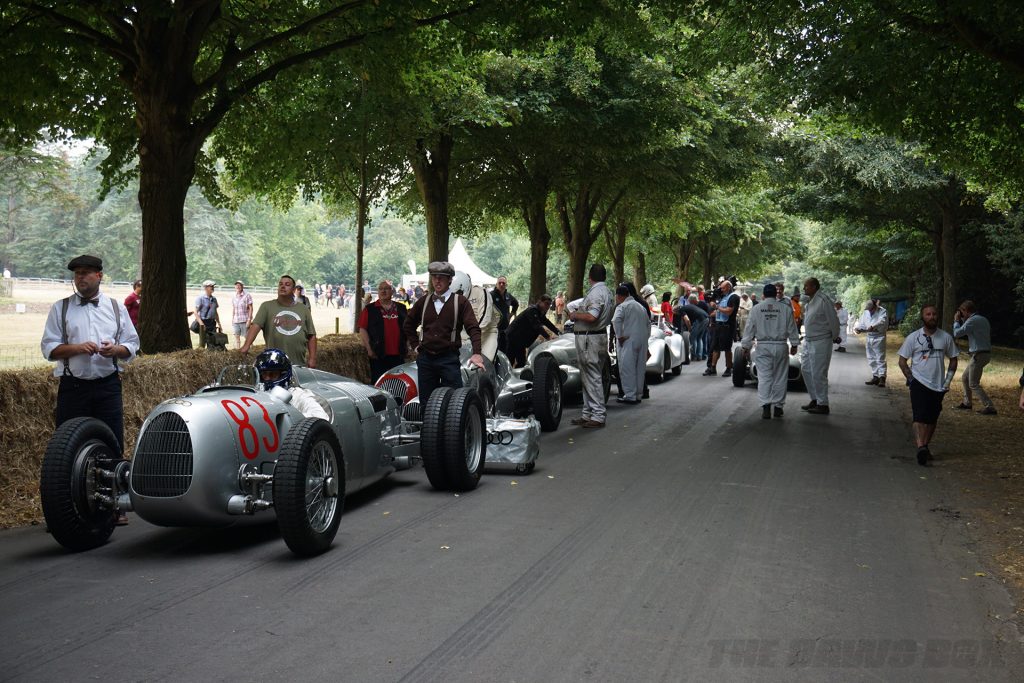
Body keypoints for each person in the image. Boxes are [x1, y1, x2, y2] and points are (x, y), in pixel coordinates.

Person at [41, 255, 140, 524]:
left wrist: (114, 350)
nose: (80, 278)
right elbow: (49, 348)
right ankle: (65, 510)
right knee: (66, 448)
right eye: (77, 274)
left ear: (99, 276)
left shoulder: (116, 308)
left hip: (108, 385)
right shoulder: (60, 309)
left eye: (86, 273)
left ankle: (115, 505)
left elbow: (132, 345)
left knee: (111, 443)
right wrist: (76, 348)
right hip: (73, 386)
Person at [402, 261, 484, 405]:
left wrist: (477, 353)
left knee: (454, 401)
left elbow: (473, 328)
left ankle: (452, 427)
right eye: (434, 277)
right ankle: (429, 427)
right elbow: (408, 325)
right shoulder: (423, 301)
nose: (437, 280)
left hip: (449, 358)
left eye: (442, 277)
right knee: (426, 403)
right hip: (426, 358)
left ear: (450, 280)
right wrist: (416, 346)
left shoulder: (460, 302)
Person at [898, 304, 959, 466]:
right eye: (928, 314)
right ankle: (921, 447)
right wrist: (910, 379)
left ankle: (924, 447)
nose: (931, 317)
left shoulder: (945, 337)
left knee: (932, 418)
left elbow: (954, 359)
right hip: (918, 381)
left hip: (938, 385)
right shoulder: (913, 337)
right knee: (919, 416)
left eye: (934, 314)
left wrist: (947, 381)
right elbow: (902, 361)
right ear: (922, 317)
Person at [741, 284, 801, 419]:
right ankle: (778, 406)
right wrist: (795, 344)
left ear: (763, 294)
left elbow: (749, 329)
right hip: (780, 345)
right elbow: (792, 328)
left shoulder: (756, 309)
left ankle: (766, 406)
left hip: (763, 346)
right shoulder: (785, 309)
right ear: (776, 294)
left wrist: (746, 346)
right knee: (780, 376)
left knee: (764, 377)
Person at [567, 264, 614, 428]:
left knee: (592, 376)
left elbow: (592, 316)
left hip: (589, 339)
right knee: (589, 376)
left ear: (590, 276)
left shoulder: (596, 293)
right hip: (599, 336)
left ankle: (598, 415)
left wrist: (574, 315)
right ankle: (588, 413)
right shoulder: (608, 292)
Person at [240, 274, 317, 367]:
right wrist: (246, 345)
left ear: (293, 290)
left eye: (287, 284)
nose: (283, 286)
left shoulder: (303, 309)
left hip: (298, 364)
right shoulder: (267, 306)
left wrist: (312, 358)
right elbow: (256, 325)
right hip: (274, 365)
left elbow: (311, 335)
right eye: (280, 284)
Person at [800, 277, 841, 415]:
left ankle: (823, 404)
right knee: (806, 370)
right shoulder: (809, 302)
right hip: (809, 340)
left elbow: (833, 319)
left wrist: (835, 336)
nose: (804, 288)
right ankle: (815, 398)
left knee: (819, 373)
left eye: (806, 286)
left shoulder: (823, 300)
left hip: (821, 341)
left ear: (814, 287)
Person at [254, 348, 328, 420]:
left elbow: (321, 417)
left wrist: (288, 419)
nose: (267, 379)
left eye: (272, 374)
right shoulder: (256, 395)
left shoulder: (297, 396)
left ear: (283, 374)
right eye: (264, 374)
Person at [357, 280, 408, 382]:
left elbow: (407, 328)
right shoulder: (369, 309)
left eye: (386, 289)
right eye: (381, 289)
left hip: (398, 354)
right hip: (378, 354)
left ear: (392, 291)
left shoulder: (401, 308)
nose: (383, 291)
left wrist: (408, 345)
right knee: (379, 383)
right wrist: (369, 349)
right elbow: (362, 330)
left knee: (398, 383)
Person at [952, 300, 996, 415]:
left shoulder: (972, 320)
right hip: (984, 354)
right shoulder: (982, 319)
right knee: (965, 378)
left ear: (966, 310)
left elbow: (957, 333)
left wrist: (956, 321)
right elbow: (970, 331)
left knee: (973, 383)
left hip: (978, 355)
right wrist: (963, 320)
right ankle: (967, 403)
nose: (961, 314)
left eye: (962, 312)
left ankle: (990, 407)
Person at [612, 284, 650, 404]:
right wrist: (646, 337)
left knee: (627, 368)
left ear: (618, 296)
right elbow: (648, 324)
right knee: (640, 368)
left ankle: (630, 395)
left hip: (628, 340)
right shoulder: (640, 306)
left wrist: (619, 336)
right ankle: (638, 394)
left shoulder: (622, 307)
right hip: (642, 339)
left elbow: (615, 320)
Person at [452, 271, 498, 359]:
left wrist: (472, 337)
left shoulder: (481, 293)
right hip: (465, 335)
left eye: (458, 293)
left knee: (486, 360)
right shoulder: (453, 299)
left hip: (487, 333)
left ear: (464, 287)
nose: (456, 296)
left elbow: (485, 319)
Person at [506, 294, 560, 368]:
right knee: (509, 360)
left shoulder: (540, 312)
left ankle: (518, 377)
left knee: (521, 362)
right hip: (513, 338)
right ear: (540, 302)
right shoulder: (532, 310)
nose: (547, 306)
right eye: (546, 304)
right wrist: (548, 337)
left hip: (520, 340)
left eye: (549, 304)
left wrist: (559, 332)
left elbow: (548, 323)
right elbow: (537, 326)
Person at [704, 280, 740, 377]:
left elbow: (729, 311)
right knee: (715, 347)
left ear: (729, 287)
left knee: (727, 348)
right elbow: (720, 310)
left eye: (723, 288)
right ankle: (712, 368)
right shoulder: (723, 297)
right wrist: (713, 314)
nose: (721, 290)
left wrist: (716, 307)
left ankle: (729, 368)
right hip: (718, 325)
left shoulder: (734, 297)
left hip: (727, 326)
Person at [853, 298, 888, 386]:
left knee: (880, 357)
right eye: (868, 309)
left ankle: (882, 377)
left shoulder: (882, 311)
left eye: (871, 309)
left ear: (875, 306)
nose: (870, 311)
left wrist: (873, 326)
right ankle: (875, 376)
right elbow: (862, 322)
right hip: (869, 336)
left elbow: (882, 321)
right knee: (871, 357)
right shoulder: (866, 312)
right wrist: (858, 328)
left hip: (879, 336)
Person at [491, 276, 519, 354]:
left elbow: (516, 304)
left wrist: (511, 314)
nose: (501, 284)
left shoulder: (508, 296)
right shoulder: (491, 295)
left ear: (506, 284)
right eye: (499, 283)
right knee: (494, 350)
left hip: (505, 328)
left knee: (504, 349)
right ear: (496, 284)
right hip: (494, 329)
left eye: (503, 283)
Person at [676, 293, 708, 361]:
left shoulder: (682, 309)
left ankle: (693, 356)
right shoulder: (689, 306)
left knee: (692, 338)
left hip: (700, 319)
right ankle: (699, 356)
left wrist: (690, 328)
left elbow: (687, 320)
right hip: (706, 318)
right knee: (699, 338)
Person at [231, 280, 253, 349]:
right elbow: (234, 308)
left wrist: (249, 320)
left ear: (242, 286)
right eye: (236, 285)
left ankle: (251, 350)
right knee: (237, 337)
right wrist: (232, 318)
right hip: (236, 320)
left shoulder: (247, 295)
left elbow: (250, 308)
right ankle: (238, 351)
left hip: (244, 320)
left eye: (239, 285)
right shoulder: (234, 296)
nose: (238, 286)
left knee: (247, 337)